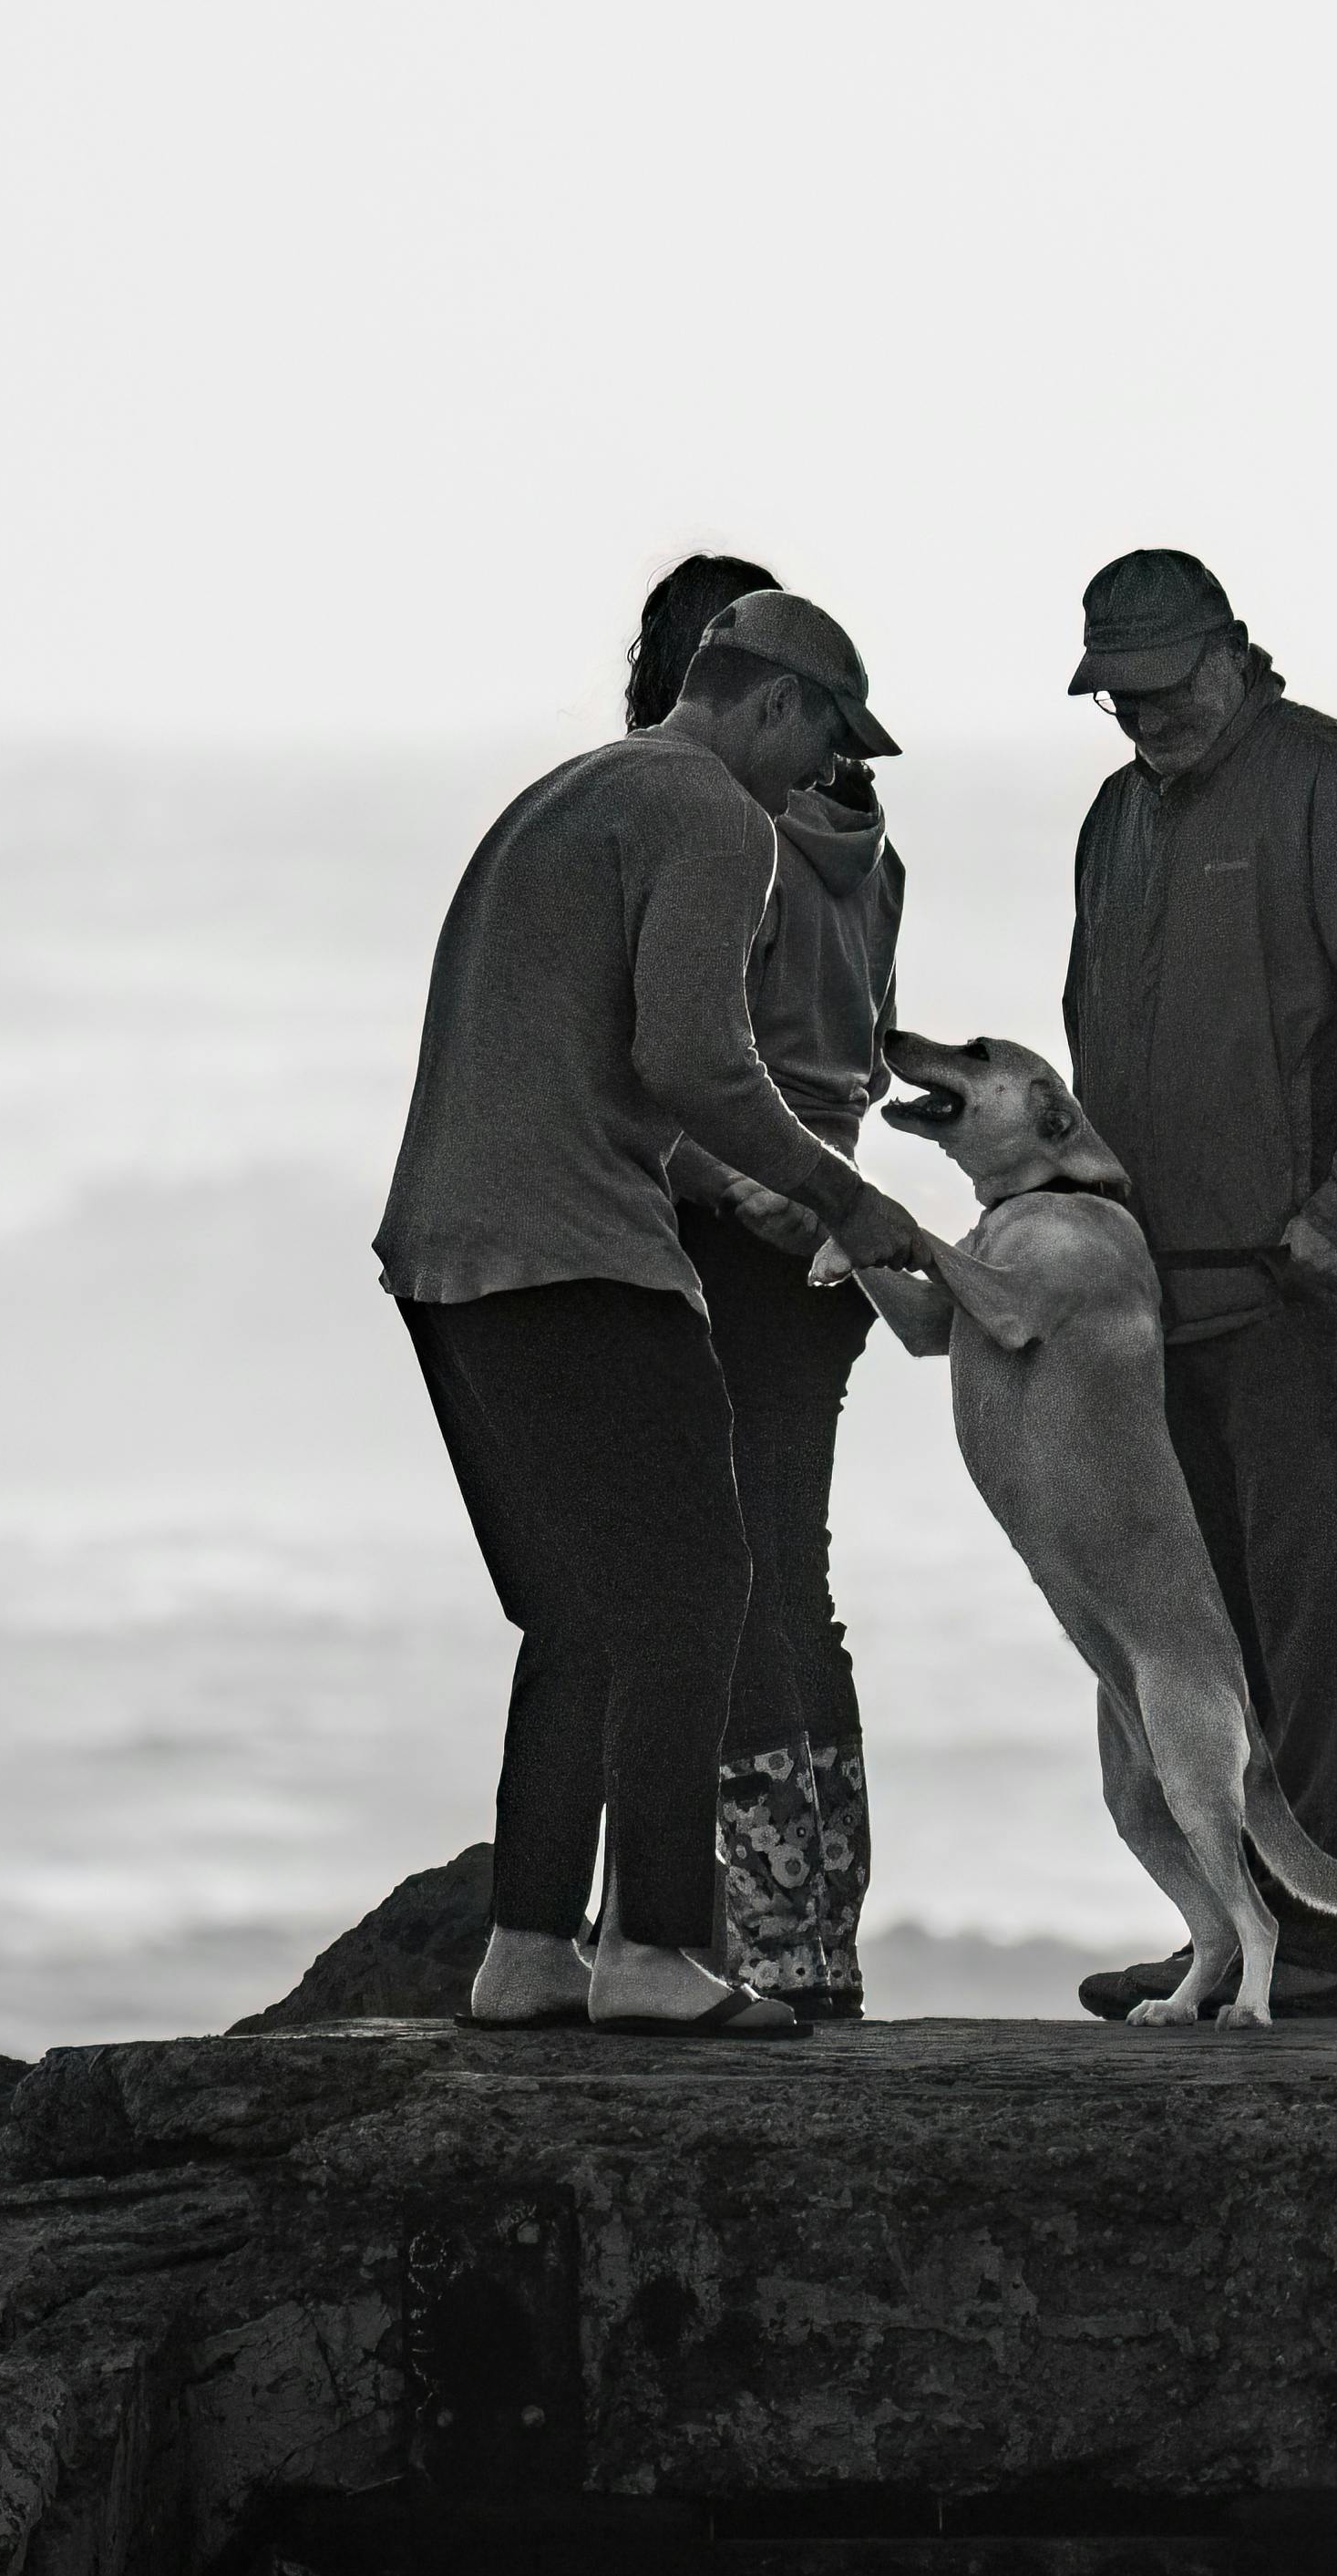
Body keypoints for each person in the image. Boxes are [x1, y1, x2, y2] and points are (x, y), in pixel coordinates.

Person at [377, 591, 930, 2037]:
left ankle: (527, 1950)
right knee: (697, 1587)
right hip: (580, 1260)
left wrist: (747, 1195)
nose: (819, 775)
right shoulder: (712, 818)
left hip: (446, 1256)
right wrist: (848, 1200)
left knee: (576, 1612)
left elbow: (586, 1061)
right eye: (821, 738)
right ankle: (657, 1954)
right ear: (769, 701)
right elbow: (694, 1056)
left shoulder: (567, 795)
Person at [1053, 549, 1337, 2022]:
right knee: (1199, 1638)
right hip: (1155, 1300)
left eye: (1164, 688)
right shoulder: (1115, 822)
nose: (1141, 720)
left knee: (1314, 1620)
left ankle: (1328, 1953)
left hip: (1311, 1291)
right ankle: (1233, 1936)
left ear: (1233, 653)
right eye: (1116, 697)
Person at [622, 555, 907, 2018]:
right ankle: (818, 1919)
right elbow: (863, 1043)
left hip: (738, 1218)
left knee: (716, 1574)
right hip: (826, 1236)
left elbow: (691, 1052)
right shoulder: (871, 846)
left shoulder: (731, 837)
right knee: (794, 1572)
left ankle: (751, 1929)